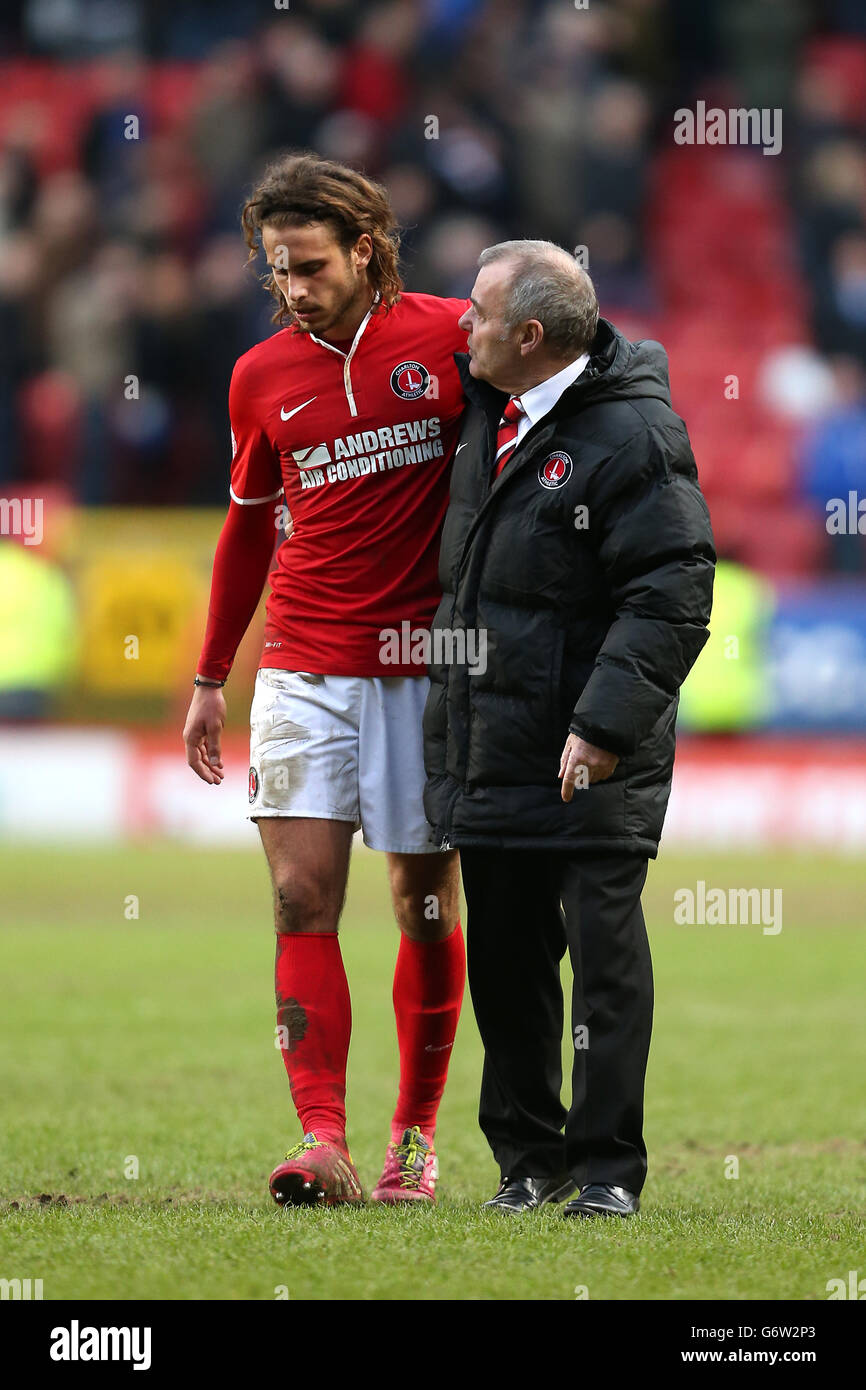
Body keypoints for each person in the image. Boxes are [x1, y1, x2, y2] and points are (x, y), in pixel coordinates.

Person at [183, 153, 468, 1208]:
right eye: (277, 271)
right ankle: (323, 1139)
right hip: (304, 661)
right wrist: (213, 673)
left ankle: (413, 1134)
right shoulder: (258, 376)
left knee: (422, 902)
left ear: (367, 250)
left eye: (309, 266)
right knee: (299, 895)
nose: (293, 288)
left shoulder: (450, 339)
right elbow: (247, 529)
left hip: (422, 664)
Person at [423, 240, 715, 1216]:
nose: (459, 328)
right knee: (504, 963)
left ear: (529, 336)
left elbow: (671, 591)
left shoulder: (631, 434)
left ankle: (602, 1169)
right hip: (489, 743)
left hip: (590, 754)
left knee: (602, 962)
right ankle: (526, 1158)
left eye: (475, 314)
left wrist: (600, 727)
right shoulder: (480, 410)